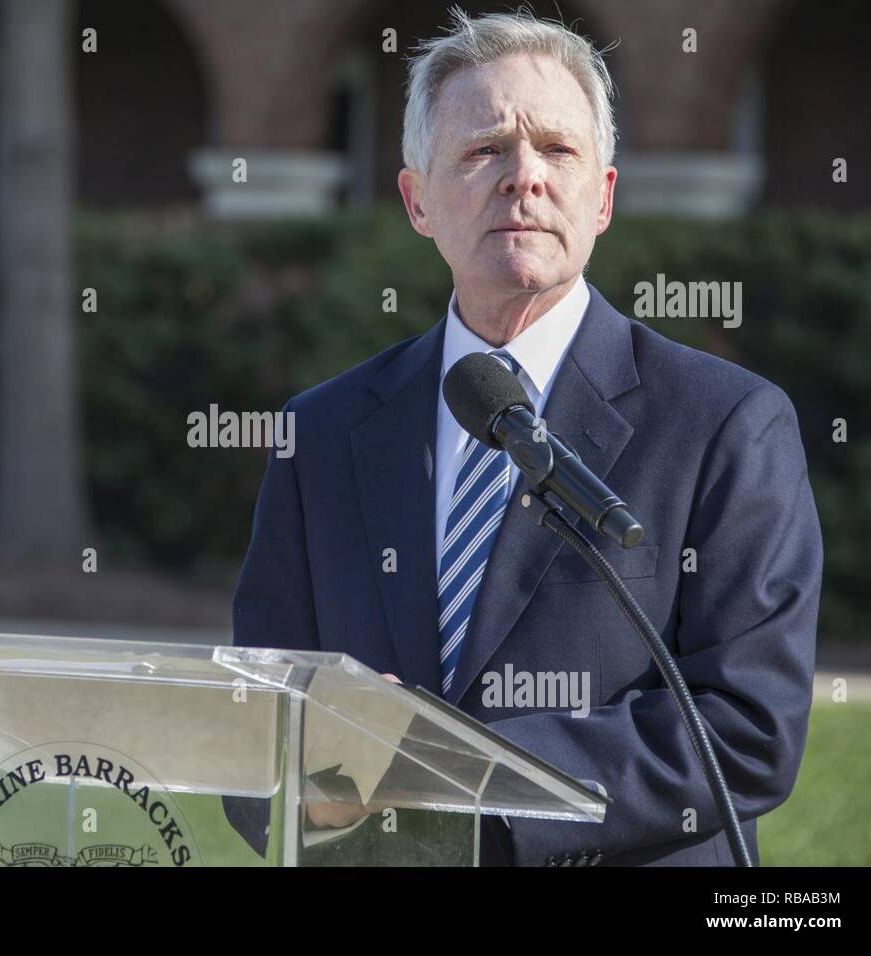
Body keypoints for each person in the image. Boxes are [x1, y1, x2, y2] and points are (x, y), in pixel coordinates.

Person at [232, 8, 821, 866]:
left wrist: (464, 775)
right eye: (483, 151)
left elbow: (747, 727)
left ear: (605, 197)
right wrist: (321, 789)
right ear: (417, 201)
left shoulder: (726, 423)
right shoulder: (319, 434)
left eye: (557, 149)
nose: (524, 179)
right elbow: (255, 724)